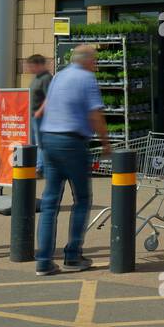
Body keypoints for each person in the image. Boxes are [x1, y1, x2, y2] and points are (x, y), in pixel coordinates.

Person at [35, 44, 110, 276]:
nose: (96, 64)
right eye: (94, 60)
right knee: (82, 199)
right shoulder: (87, 79)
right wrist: (106, 143)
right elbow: (95, 115)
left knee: (49, 203)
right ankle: (73, 255)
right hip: (72, 143)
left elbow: (42, 110)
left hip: (50, 141)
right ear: (87, 61)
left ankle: (44, 261)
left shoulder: (59, 76)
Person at [26, 54, 52, 174]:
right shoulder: (37, 77)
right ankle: (37, 165)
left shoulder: (46, 78)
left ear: (39, 65)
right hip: (33, 115)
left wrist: (40, 111)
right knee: (34, 142)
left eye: (32, 66)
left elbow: (49, 97)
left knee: (40, 142)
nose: (30, 69)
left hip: (40, 116)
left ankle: (40, 167)